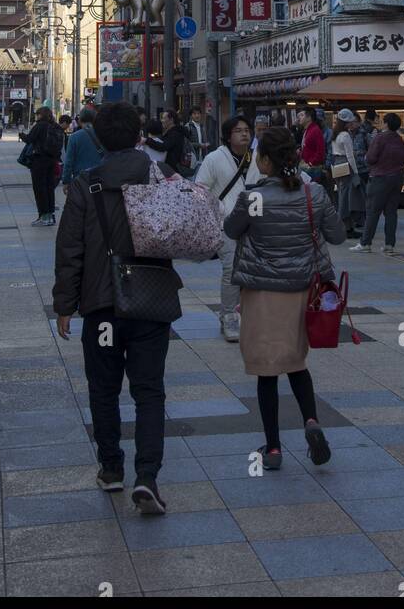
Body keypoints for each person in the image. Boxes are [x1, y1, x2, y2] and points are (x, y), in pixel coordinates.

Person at [54, 102, 178, 515]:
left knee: (104, 389)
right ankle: (148, 476)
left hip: (103, 307)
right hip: (149, 301)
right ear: (138, 134)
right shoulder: (158, 179)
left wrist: (65, 305)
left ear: (100, 139)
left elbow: (70, 248)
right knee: (149, 392)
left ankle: (111, 469)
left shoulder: (86, 185)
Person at [225, 127, 346, 470]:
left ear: (265, 161)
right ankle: (310, 421)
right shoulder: (314, 194)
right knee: (296, 362)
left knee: (267, 372)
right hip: (301, 291)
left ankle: (274, 448)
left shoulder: (253, 198)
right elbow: (337, 235)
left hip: (262, 292)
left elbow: (230, 231)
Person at [195, 114, 261, 343]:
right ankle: (229, 316)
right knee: (232, 269)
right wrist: (222, 209)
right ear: (228, 135)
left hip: (254, 224)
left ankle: (251, 315)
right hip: (226, 225)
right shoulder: (214, 158)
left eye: (247, 130)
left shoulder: (258, 158)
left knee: (253, 270)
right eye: (238, 130)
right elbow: (200, 190)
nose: (244, 133)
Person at [353, 113, 404, 255]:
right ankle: (389, 244)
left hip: (379, 177)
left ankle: (365, 243)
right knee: (391, 212)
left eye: (383, 122)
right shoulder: (399, 139)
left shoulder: (380, 138)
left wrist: (365, 157)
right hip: (397, 177)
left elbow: (371, 158)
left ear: (386, 124)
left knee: (372, 211)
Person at [20, 107, 65, 226]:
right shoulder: (55, 126)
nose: (37, 116)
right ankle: (50, 216)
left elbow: (29, 139)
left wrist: (21, 134)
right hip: (52, 161)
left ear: (41, 115)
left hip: (39, 161)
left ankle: (43, 216)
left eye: (38, 114)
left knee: (39, 189)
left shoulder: (40, 125)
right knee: (49, 188)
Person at [330, 110, 362, 238]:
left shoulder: (335, 134)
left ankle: (347, 227)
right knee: (347, 197)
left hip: (336, 164)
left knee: (342, 195)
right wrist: (356, 171)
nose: (351, 123)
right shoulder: (346, 135)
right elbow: (350, 156)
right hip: (345, 164)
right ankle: (345, 226)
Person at [62, 106, 105, 190]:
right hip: (100, 178)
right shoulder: (103, 135)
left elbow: (69, 162)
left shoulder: (74, 137)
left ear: (80, 120)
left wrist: (66, 181)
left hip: (80, 179)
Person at [160, 108, 188, 173]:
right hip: (173, 168)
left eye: (164, 118)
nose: (162, 120)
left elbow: (163, 147)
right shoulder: (174, 132)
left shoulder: (174, 134)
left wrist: (148, 141)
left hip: (173, 169)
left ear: (171, 120)